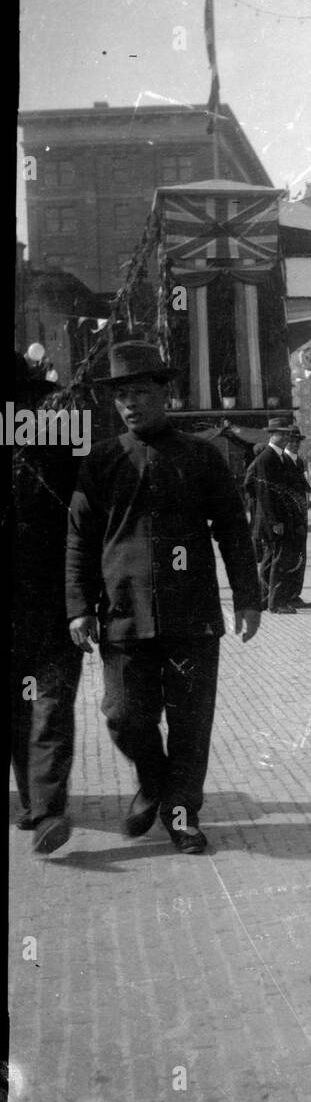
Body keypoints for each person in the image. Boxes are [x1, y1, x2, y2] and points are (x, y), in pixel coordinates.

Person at [65, 342, 261, 855]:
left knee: (191, 724)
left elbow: (234, 531)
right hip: (124, 615)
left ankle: (181, 815)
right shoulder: (102, 461)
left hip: (192, 616)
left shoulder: (201, 456)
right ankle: (153, 782)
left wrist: (247, 597)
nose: (130, 403)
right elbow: (80, 538)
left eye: (141, 392)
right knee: (123, 714)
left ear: (165, 393)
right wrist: (80, 605)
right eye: (121, 394)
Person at [9, 355, 84, 855]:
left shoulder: (58, 413)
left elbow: (83, 501)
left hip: (52, 586)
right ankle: (41, 805)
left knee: (42, 702)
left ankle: (45, 808)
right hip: (48, 585)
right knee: (42, 702)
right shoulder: (58, 411)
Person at [248, 418, 302, 612]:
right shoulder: (267, 458)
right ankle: (276, 603)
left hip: (279, 518)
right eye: (283, 433)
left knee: (273, 558)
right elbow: (264, 492)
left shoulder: (278, 457)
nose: (287, 437)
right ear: (273, 435)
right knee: (278, 559)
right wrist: (274, 520)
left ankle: (270, 599)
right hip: (274, 520)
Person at [284, 429, 311, 609]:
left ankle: (295, 594)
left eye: (297, 442)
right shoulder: (282, 461)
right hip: (290, 518)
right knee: (289, 557)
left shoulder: (298, 462)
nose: (295, 444)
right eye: (291, 441)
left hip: (301, 516)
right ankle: (285, 596)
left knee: (300, 556)